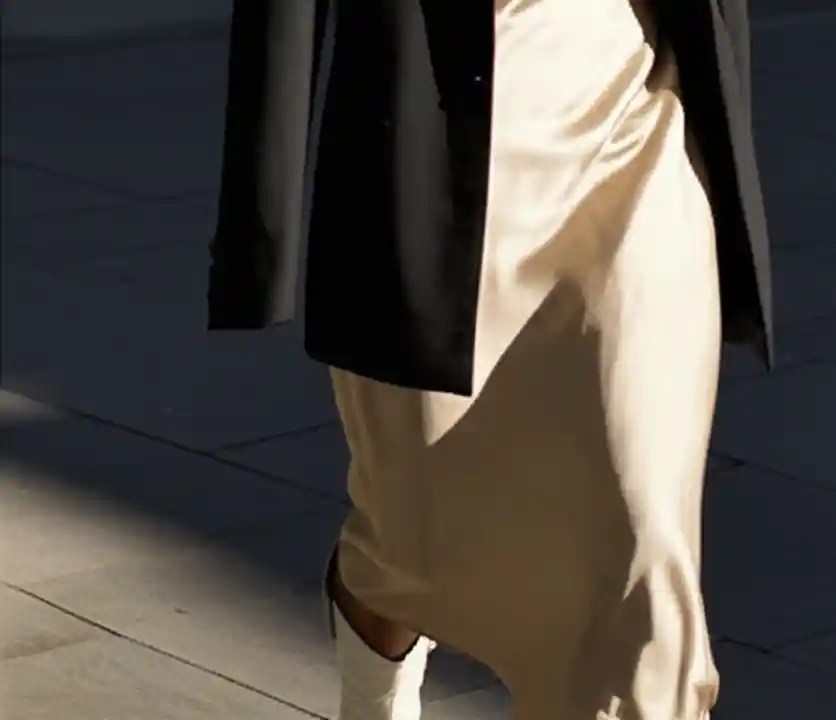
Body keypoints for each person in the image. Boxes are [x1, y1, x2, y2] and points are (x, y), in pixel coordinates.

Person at [207, 1, 773, 718]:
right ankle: (374, 662)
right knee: (412, 539)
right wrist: (260, 226)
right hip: (429, 123)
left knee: (643, 542)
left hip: (636, 114)